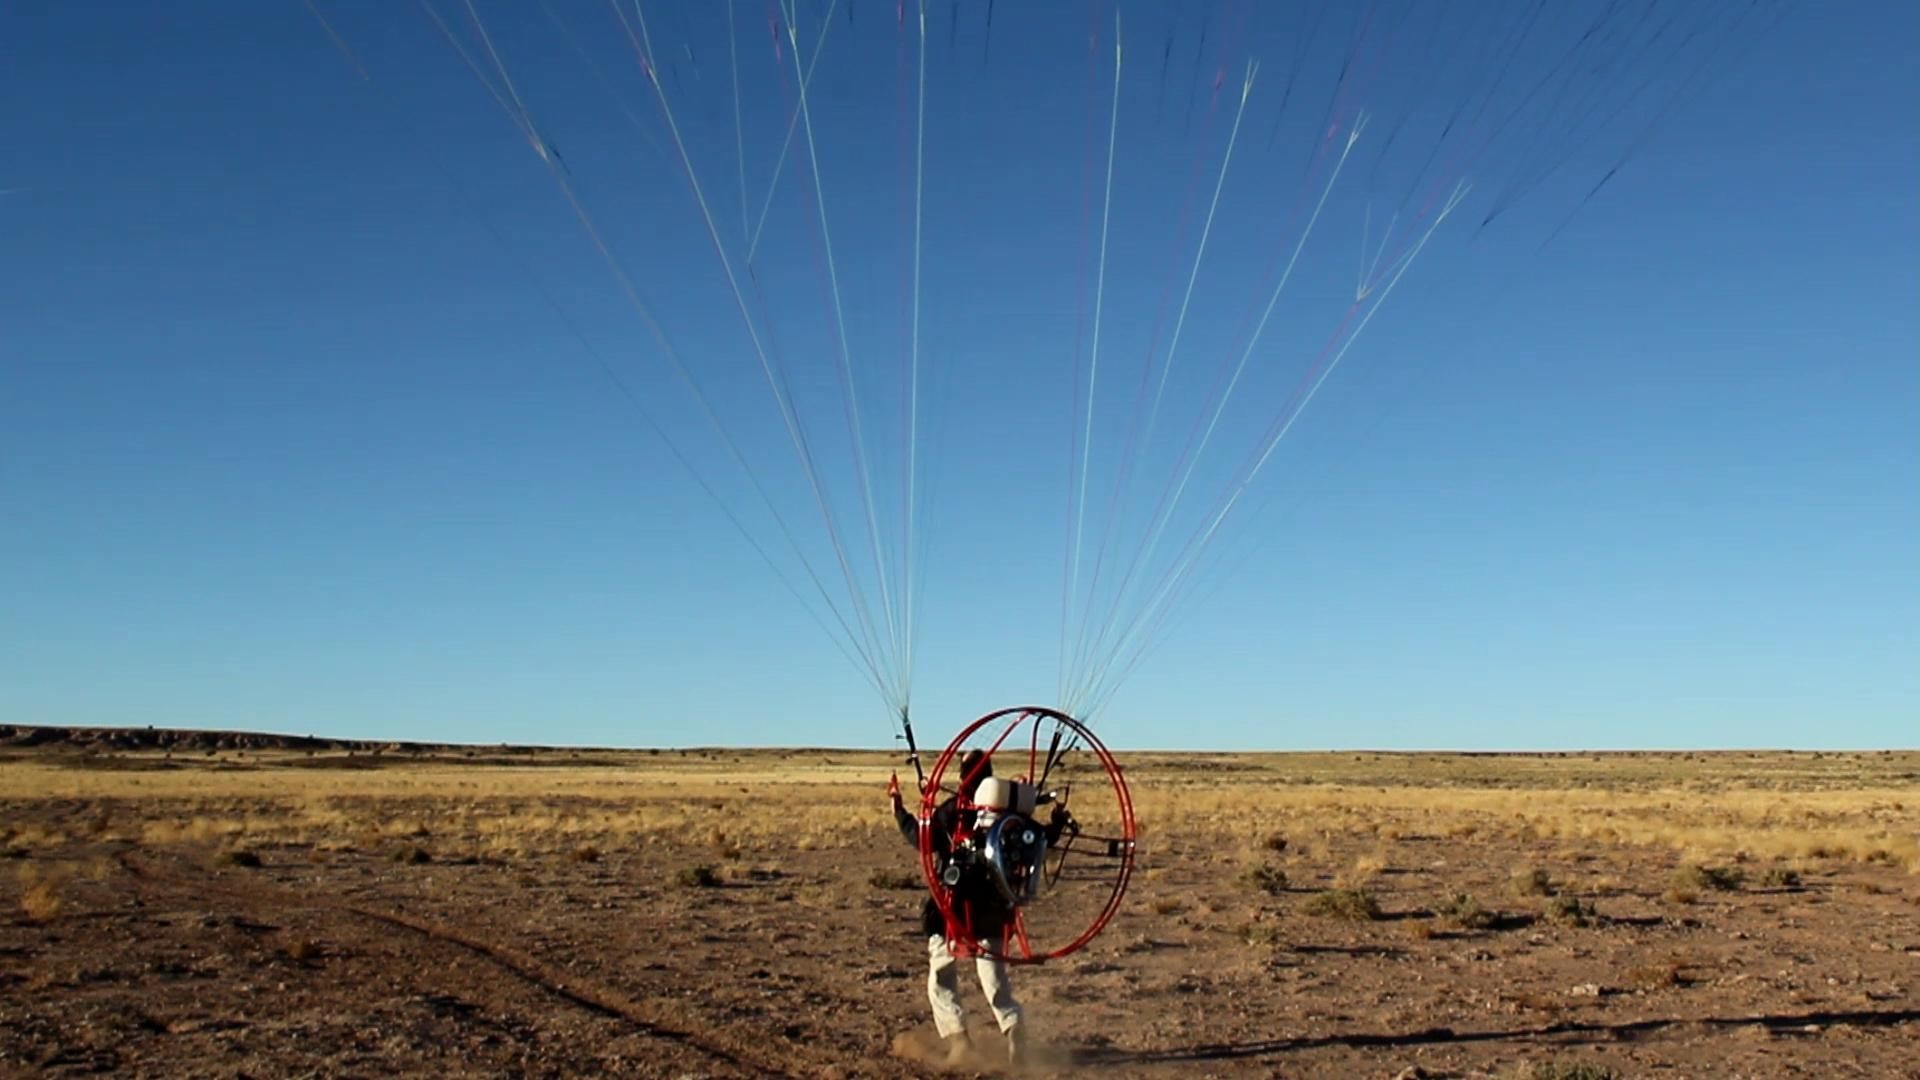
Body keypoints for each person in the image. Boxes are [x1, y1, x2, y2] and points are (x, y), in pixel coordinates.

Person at [890, 750, 1064, 1066]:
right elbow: (1039, 839)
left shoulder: (954, 810)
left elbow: (923, 840)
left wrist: (900, 812)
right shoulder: (1009, 812)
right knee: (993, 975)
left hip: (954, 907)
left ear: (962, 775)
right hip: (995, 905)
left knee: (941, 973)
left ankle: (959, 1042)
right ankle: (1013, 1028)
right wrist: (1056, 823)